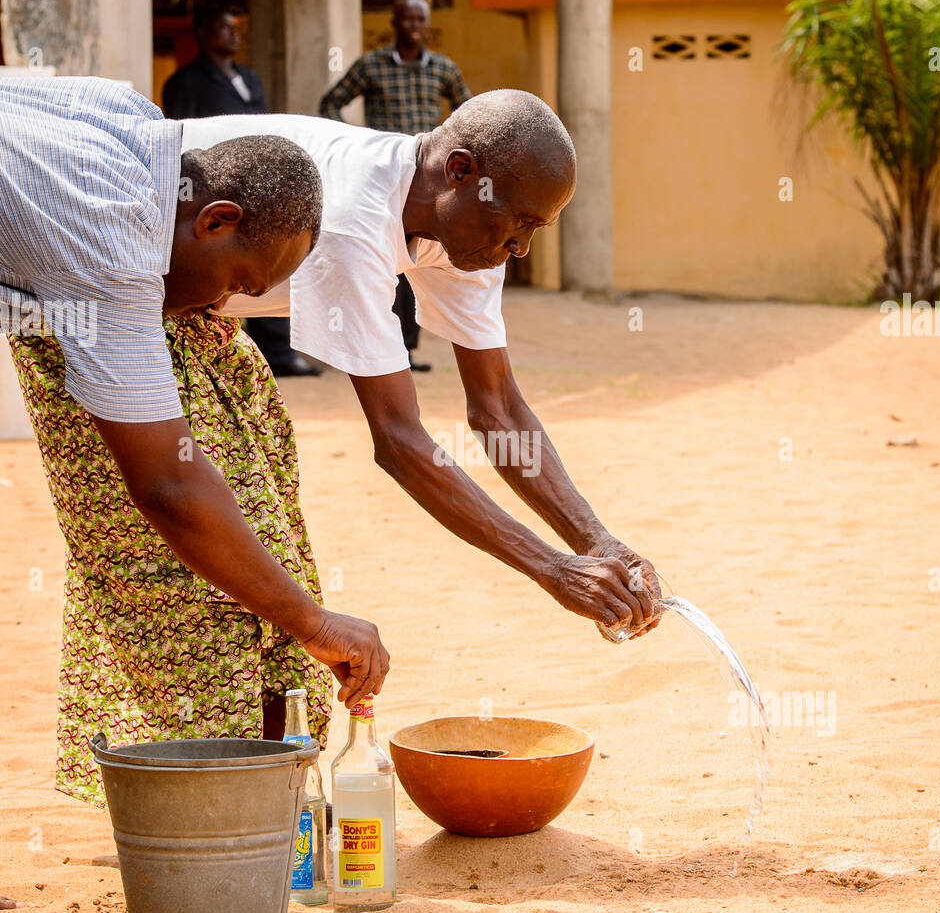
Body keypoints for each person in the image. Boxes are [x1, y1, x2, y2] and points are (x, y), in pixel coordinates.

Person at [0, 76, 389, 772]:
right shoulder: (114, 252)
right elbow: (168, 487)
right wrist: (314, 622)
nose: (224, 303)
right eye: (238, 281)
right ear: (214, 220)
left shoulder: (125, 117)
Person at [183, 90, 665, 636]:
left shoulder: (467, 225)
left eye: (537, 229)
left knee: (257, 566)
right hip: (120, 307)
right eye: (522, 222)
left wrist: (598, 544)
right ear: (461, 171)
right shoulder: (352, 220)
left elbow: (499, 411)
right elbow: (399, 442)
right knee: (196, 579)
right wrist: (553, 569)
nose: (522, 248)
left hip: (205, 324)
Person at [162, 8, 319, 378]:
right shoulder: (184, 81)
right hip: (214, 183)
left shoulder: (249, 78)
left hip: (254, 183)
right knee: (225, 268)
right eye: (224, 28)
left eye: (237, 29)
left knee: (263, 266)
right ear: (202, 33)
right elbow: (184, 134)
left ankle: (278, 350)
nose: (234, 36)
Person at [320, 0, 472, 373]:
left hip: (429, 178)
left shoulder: (443, 69)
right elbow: (331, 101)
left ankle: (405, 348)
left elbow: (469, 113)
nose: (414, 27)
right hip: (382, 175)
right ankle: (372, 343)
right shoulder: (371, 66)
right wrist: (355, 140)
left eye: (421, 21)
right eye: (407, 20)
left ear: (427, 24)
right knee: (380, 256)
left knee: (417, 256)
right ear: (395, 23)